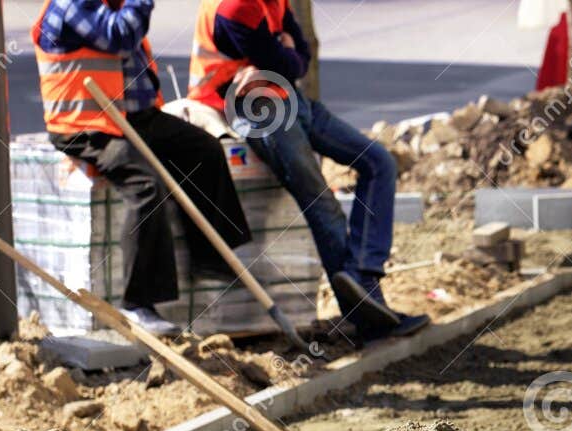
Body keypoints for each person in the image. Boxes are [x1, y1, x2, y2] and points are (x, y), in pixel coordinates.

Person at [188, 0, 428, 340]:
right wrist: (283, 57)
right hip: (254, 107)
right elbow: (281, 60)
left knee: (379, 163)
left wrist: (285, 59)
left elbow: (298, 57)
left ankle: (363, 269)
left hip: (288, 98)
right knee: (322, 205)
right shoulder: (234, 6)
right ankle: (369, 319)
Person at [33, 0, 253, 335]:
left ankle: (213, 259)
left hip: (129, 118)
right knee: (145, 186)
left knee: (204, 149)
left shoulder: (112, 5)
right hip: (83, 125)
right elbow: (120, 35)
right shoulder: (74, 4)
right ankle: (138, 303)